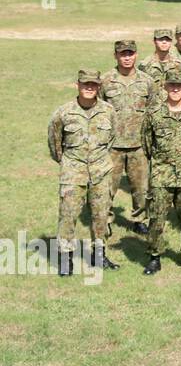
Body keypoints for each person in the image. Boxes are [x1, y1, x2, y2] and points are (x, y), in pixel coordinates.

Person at [48, 69, 118, 276]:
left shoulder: (108, 111)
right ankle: (65, 260)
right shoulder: (63, 113)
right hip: (73, 172)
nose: (89, 88)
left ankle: (99, 256)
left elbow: (111, 139)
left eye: (94, 84)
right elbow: (55, 144)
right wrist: (69, 163)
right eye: (85, 84)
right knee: (68, 216)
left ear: (99, 87)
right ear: (77, 85)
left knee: (101, 216)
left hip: (101, 171)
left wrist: (99, 161)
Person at [141, 70, 181, 274]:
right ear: (165, 87)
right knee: (157, 217)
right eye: (172, 85)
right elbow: (147, 144)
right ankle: (154, 256)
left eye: (179, 85)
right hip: (162, 175)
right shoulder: (153, 114)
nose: (175, 89)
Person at [101, 39, 153, 235]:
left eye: (130, 53)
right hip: (112, 146)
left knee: (141, 188)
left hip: (138, 145)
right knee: (107, 187)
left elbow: (153, 111)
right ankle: (105, 219)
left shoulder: (146, 81)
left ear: (136, 55)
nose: (127, 57)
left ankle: (139, 219)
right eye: (123, 54)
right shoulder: (105, 81)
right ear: (115, 55)